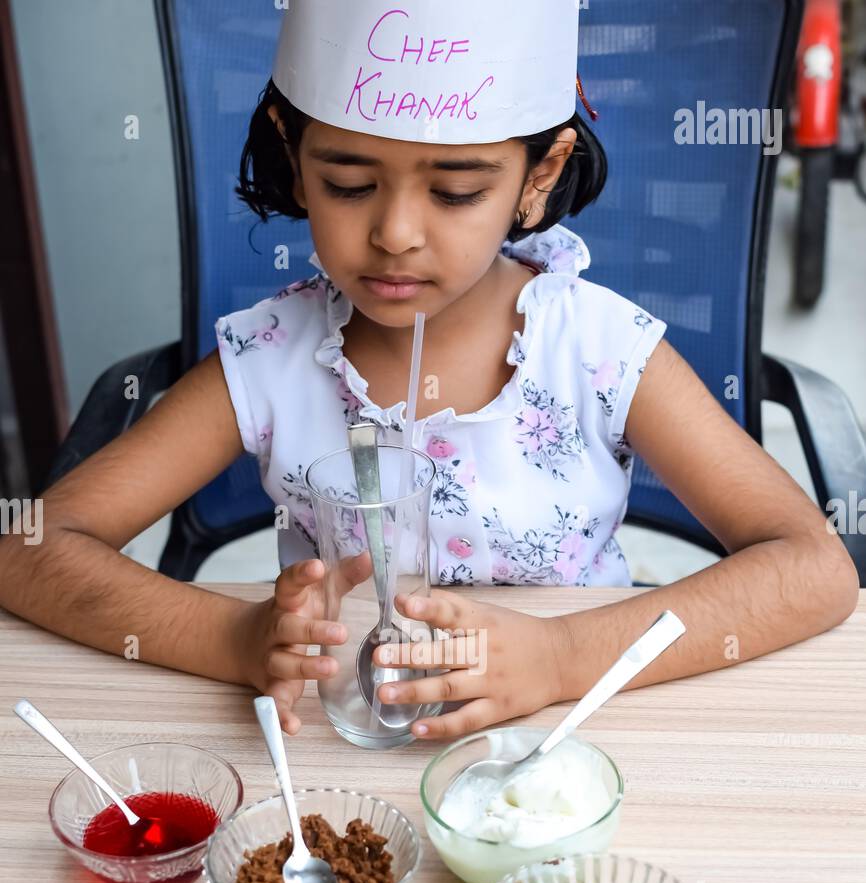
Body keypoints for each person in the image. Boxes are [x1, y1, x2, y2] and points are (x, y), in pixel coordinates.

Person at [0, 0, 857, 742]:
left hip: (570, 744)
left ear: (539, 176)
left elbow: (815, 569)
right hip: (338, 753)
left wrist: (560, 655)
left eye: (454, 193)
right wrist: (233, 637)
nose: (397, 234)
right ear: (290, 154)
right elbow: (30, 552)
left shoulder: (592, 348)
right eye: (347, 183)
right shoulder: (271, 358)